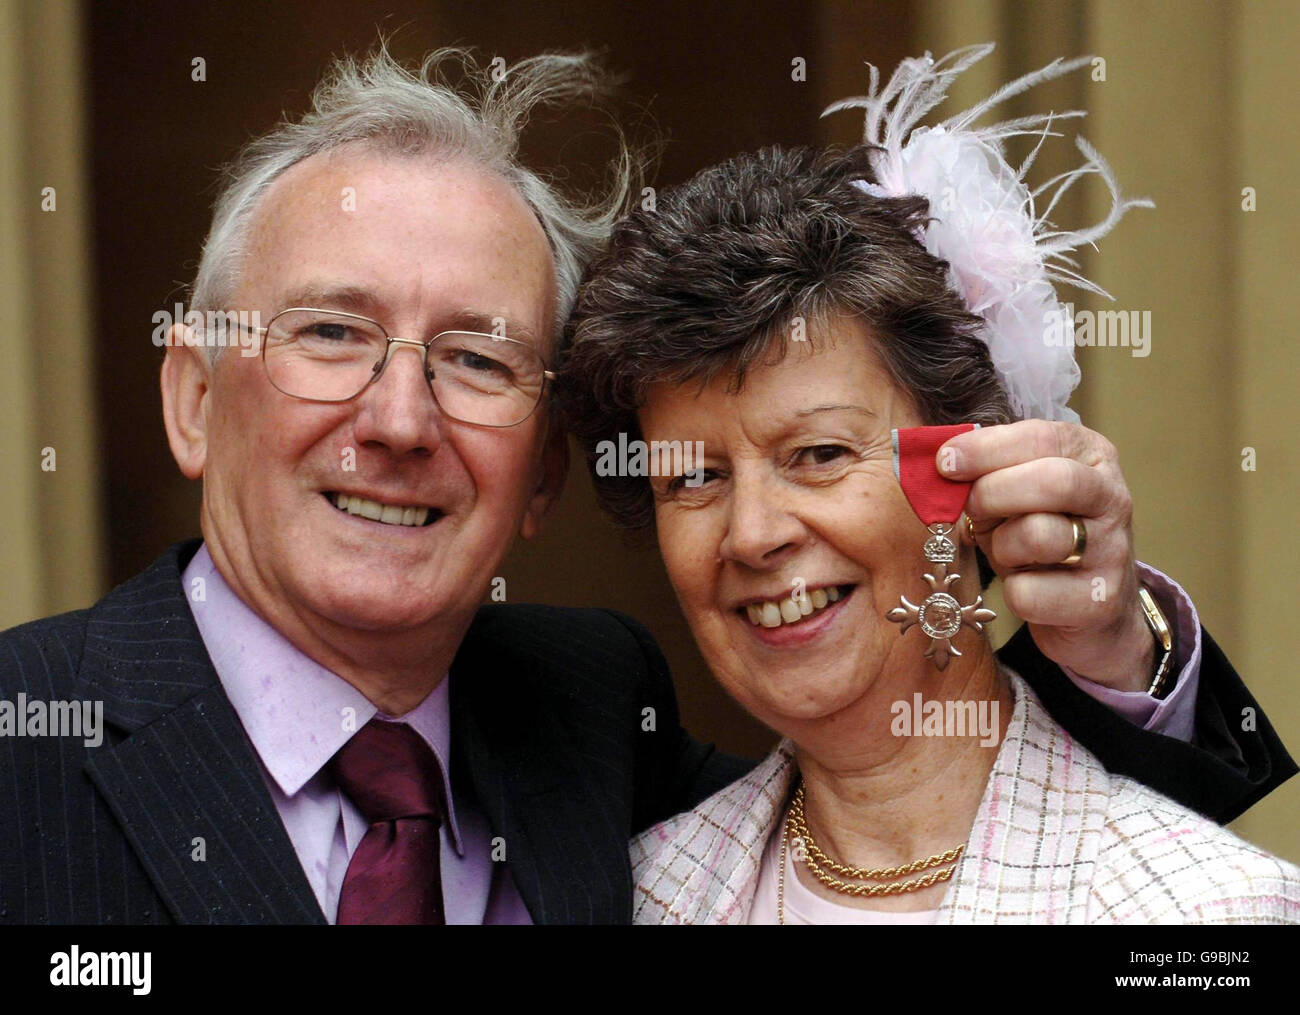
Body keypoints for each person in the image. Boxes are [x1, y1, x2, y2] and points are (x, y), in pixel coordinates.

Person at [0, 46, 1290, 926]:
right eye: (331, 333)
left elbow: (1014, 829)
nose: (398, 420)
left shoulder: (590, 727)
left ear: (546, 465)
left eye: (474, 358)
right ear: (191, 394)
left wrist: (1123, 653)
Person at [560, 46, 1300, 923]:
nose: (753, 533)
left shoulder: (1216, 911)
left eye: (821, 453)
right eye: (694, 477)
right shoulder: (638, 896)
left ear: (973, 466)